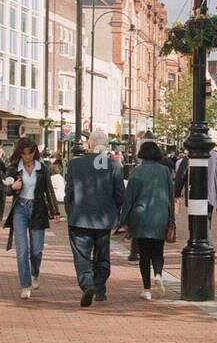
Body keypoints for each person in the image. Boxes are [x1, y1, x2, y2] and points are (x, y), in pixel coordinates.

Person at [65, 127, 126, 305]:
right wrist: (116, 214)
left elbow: (69, 193)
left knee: (81, 256)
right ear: (105, 146)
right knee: (102, 255)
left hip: (79, 218)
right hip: (103, 219)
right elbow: (120, 194)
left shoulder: (75, 164)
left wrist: (70, 212)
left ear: (89, 145)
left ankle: (87, 282)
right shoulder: (113, 166)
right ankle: (99, 287)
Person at [119, 137, 175, 299]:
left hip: (140, 216)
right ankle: (158, 274)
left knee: (144, 254)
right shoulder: (164, 171)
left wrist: (123, 221)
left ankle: (147, 289)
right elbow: (170, 196)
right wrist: (171, 217)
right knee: (158, 250)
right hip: (160, 215)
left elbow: (129, 199)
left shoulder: (136, 171)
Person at [2, 137, 58, 299]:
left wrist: (55, 211)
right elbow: (5, 189)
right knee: (22, 250)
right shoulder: (14, 168)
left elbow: (49, 190)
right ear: (20, 153)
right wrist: (13, 187)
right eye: (24, 153)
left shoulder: (42, 168)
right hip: (20, 209)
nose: (27, 157)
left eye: (30, 153)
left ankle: (35, 273)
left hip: (38, 209)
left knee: (36, 250)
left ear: (35, 152)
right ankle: (25, 285)